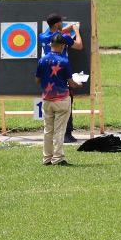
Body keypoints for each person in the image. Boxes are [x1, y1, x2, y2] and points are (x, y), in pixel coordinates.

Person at [34, 30, 75, 166]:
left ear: (50, 44)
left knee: (48, 130)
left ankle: (47, 158)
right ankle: (58, 158)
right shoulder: (64, 61)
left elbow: (37, 80)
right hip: (62, 100)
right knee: (59, 130)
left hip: (46, 99)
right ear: (63, 46)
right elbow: (71, 82)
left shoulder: (42, 60)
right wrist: (78, 84)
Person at [39, 14, 78, 144]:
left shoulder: (42, 36)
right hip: (62, 73)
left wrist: (65, 29)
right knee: (65, 102)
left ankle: (52, 138)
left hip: (47, 76)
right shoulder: (64, 38)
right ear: (56, 24)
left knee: (50, 108)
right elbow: (79, 46)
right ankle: (67, 134)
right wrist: (76, 29)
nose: (62, 23)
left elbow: (56, 34)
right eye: (61, 22)